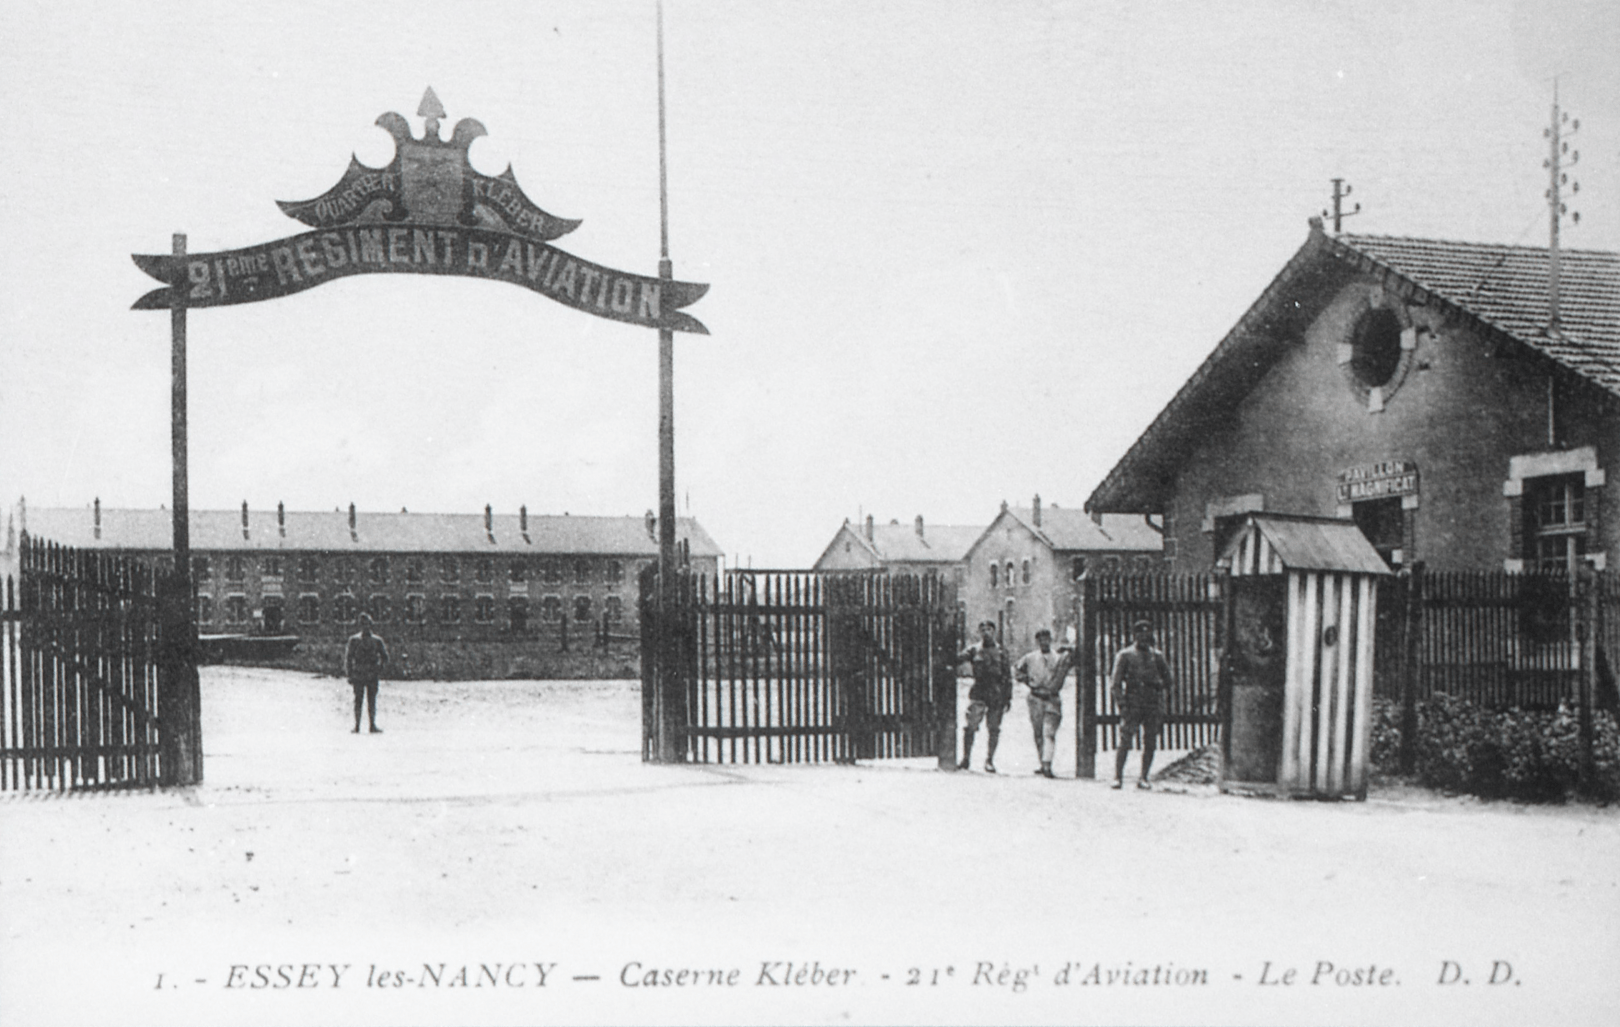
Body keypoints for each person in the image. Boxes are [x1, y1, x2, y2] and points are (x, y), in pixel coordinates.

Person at [1108, 619, 1172, 789]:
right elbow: (1115, 683)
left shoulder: (1156, 656)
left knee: (1150, 741)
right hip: (1133, 703)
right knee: (1125, 740)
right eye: (1140, 633)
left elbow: (1168, 679)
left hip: (1152, 703)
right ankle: (1118, 777)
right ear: (1135, 635)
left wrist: (1158, 685)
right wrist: (1122, 704)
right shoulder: (1125, 655)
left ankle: (1144, 777)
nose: (1144, 637)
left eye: (1147, 633)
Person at [950, 620, 1012, 772]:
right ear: (979, 632)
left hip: (996, 693)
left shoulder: (1002, 651)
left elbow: (1007, 676)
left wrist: (1008, 697)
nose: (986, 632)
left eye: (989, 629)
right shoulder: (974, 650)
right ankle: (966, 759)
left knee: (994, 728)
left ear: (994, 631)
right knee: (970, 726)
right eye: (982, 630)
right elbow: (958, 659)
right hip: (979, 691)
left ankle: (989, 760)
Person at [1016, 628, 1074, 779]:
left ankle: (1047, 764)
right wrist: (1028, 682)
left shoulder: (1059, 658)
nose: (1044, 642)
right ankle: (1043, 762)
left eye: (1047, 639)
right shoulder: (1029, 658)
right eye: (1041, 640)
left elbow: (1069, 662)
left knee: (1049, 732)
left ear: (1051, 640)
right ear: (1037, 641)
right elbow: (1018, 671)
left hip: (1052, 698)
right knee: (1038, 732)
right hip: (1035, 697)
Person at [344, 612, 389, 734]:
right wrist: (349, 674)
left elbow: (385, 657)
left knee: (372, 700)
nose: (365, 627)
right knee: (358, 700)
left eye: (367, 624)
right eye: (362, 624)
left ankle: (372, 725)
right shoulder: (354, 640)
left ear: (371, 625)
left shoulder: (377, 641)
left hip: (372, 674)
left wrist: (379, 670)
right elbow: (349, 658)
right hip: (358, 674)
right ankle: (357, 725)